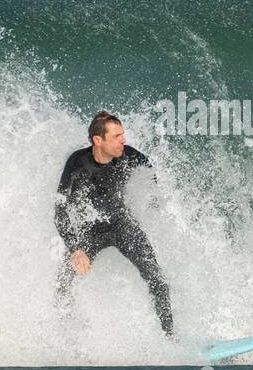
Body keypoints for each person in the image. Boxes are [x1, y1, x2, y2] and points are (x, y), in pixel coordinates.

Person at [54, 111, 174, 337]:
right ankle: (65, 339)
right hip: (89, 230)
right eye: (117, 136)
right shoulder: (77, 164)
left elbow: (150, 175)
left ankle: (170, 337)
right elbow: (59, 210)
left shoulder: (130, 156)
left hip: (122, 225)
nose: (123, 141)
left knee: (158, 281)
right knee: (64, 283)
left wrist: (154, 201)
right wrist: (75, 249)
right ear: (98, 140)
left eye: (123, 135)